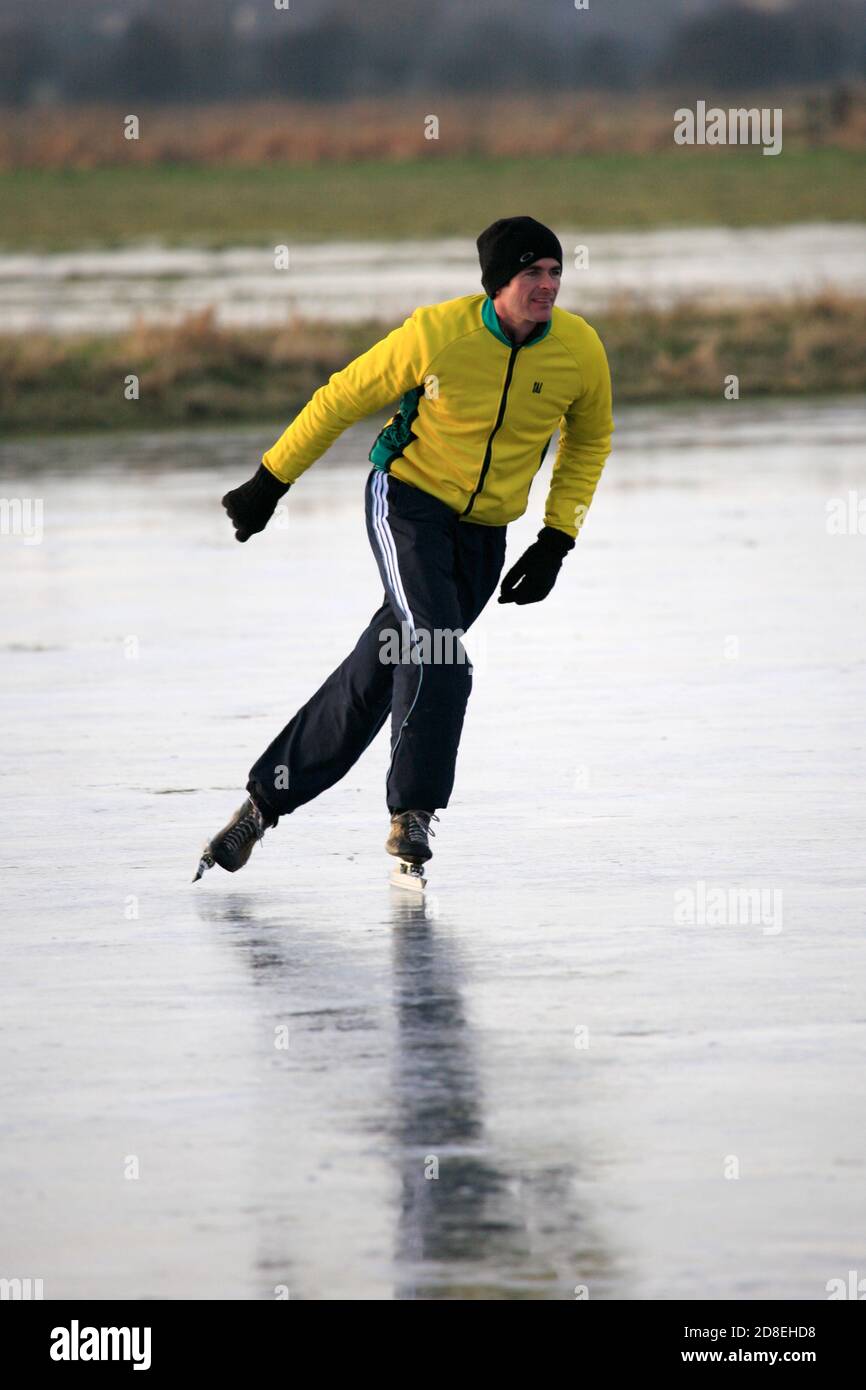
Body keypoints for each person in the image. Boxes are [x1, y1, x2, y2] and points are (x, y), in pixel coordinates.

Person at [193, 216, 613, 882]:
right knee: (439, 652)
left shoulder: (579, 349)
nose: (548, 286)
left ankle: (260, 806)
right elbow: (342, 397)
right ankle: (412, 813)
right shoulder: (438, 334)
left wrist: (558, 536)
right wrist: (268, 482)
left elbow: (589, 441)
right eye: (532, 273)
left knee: (384, 668)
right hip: (409, 502)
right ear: (498, 282)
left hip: (485, 536)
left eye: (556, 272)